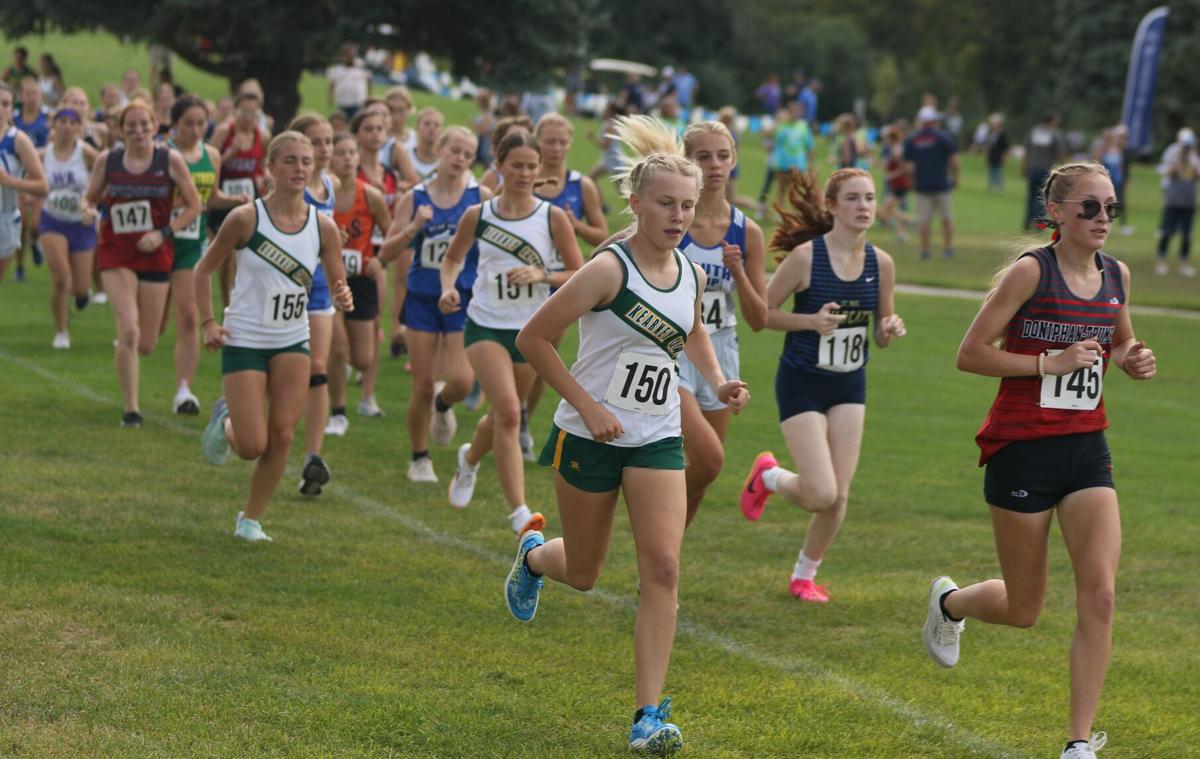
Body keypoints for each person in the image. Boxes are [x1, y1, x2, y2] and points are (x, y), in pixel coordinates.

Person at [506, 127, 748, 755]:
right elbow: (533, 339)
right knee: (583, 572)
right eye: (666, 203)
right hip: (589, 435)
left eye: (687, 205)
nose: (678, 216)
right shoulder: (607, 269)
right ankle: (535, 556)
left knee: (663, 568)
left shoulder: (692, 271)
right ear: (637, 203)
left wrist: (718, 383)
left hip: (656, 436)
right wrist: (586, 405)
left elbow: (692, 332)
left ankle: (647, 716)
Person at [922, 162, 1156, 759]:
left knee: (1100, 594)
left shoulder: (1116, 276)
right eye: (1089, 208)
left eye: (1111, 209)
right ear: (1056, 212)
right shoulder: (1032, 272)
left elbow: (1119, 338)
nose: (1103, 219)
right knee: (1024, 609)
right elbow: (970, 353)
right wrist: (1044, 364)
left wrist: (1130, 357)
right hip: (1021, 450)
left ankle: (1079, 742)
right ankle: (950, 603)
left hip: (1085, 448)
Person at [740, 168, 905, 602]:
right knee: (820, 492)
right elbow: (762, 315)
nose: (864, 206)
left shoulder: (881, 263)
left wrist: (890, 327)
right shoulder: (806, 258)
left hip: (850, 385)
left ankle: (803, 575)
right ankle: (770, 476)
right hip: (802, 383)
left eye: (869, 198)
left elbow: (881, 334)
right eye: (852, 198)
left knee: (838, 497)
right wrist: (810, 322)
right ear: (831, 206)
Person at [196, 131, 352, 542]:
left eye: (306, 161)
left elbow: (337, 279)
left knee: (282, 434)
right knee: (250, 444)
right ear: (270, 167)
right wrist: (209, 323)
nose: (300, 168)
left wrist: (342, 293)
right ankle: (225, 418)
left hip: (291, 340)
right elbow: (204, 270)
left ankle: (250, 519)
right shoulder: (246, 218)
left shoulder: (323, 227)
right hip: (245, 337)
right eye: (290, 161)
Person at [437, 130, 583, 535]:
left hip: (530, 333)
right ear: (498, 166)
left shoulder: (551, 217)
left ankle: (469, 460)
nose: (524, 173)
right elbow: (452, 259)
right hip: (484, 325)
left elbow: (579, 273)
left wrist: (542, 273)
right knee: (510, 413)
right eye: (516, 165)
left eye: (531, 166)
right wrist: (448, 287)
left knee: (503, 414)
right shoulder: (479, 215)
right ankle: (520, 511)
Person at [81, 99, 201, 427]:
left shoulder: (169, 160)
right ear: (121, 129)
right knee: (130, 330)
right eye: (130, 125)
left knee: (146, 342)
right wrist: (87, 210)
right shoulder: (109, 160)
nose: (138, 131)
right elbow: (89, 198)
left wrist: (163, 233)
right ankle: (131, 409)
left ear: (154, 126)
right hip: (116, 252)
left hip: (155, 253)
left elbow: (194, 206)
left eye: (144, 125)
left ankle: (128, 354)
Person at [382, 125, 489, 482]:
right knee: (423, 383)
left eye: (467, 154)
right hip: (423, 300)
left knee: (460, 381)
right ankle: (419, 457)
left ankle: (443, 405)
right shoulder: (415, 198)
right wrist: (414, 227)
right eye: (454, 150)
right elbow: (386, 251)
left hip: (463, 299)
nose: (459, 159)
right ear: (439, 150)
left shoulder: (480, 197)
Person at [522, 112, 612, 456]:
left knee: (543, 359)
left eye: (562, 142)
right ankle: (505, 410)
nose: (556, 149)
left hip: (562, 283)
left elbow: (602, 234)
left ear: (570, 143)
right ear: (537, 140)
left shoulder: (581, 185)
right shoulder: (522, 178)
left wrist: (576, 225)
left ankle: (523, 420)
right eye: (549, 141)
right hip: (519, 279)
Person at [166, 95, 248, 414]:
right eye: (189, 123)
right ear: (175, 124)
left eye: (201, 123)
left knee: (188, 317)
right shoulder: (165, 154)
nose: (196, 129)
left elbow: (210, 199)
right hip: (158, 241)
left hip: (191, 242)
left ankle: (184, 391)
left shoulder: (211, 155)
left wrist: (234, 200)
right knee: (147, 335)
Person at [290, 113, 341, 495]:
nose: (325, 149)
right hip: (286, 289)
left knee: (318, 368)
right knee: (284, 369)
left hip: (321, 290)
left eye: (329, 141)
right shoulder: (288, 188)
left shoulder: (330, 184)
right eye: (316, 142)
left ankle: (313, 457)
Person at [327, 133, 391, 433]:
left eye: (352, 152)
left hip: (361, 279)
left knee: (363, 359)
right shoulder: (321, 194)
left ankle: (337, 373)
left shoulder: (371, 196)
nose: (348, 158)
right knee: (338, 348)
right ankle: (337, 412)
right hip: (328, 278)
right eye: (341, 153)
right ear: (330, 158)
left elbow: (390, 236)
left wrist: (381, 260)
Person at [39, 107, 98, 349]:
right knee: (62, 277)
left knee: (80, 286)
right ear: (54, 124)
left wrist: (92, 206)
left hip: (81, 224)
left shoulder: (86, 154)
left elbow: (105, 177)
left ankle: (83, 294)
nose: (66, 126)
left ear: (79, 127)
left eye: (72, 122)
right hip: (52, 220)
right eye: (62, 121)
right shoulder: (43, 155)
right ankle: (62, 332)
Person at [210, 92, 268, 304]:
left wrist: (263, 178)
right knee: (224, 260)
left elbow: (264, 165)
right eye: (244, 112)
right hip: (221, 202)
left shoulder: (261, 136)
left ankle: (239, 303)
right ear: (235, 112)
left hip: (247, 203)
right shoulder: (225, 132)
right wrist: (229, 155)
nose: (248, 117)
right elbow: (208, 163)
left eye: (253, 113)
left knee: (244, 258)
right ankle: (228, 305)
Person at [0, 83, 47, 285]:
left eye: (5, 104)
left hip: (5, 220)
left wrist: (9, 181)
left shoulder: (18, 140)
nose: (0, 109)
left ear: (12, 109)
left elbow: (42, 185)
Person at [904, 105, 958, 259]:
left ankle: (925, 250)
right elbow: (954, 161)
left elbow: (908, 166)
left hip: (922, 187)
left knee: (924, 222)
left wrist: (911, 181)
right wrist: (955, 178)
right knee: (946, 219)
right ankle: (947, 249)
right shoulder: (943, 137)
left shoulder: (913, 139)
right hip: (942, 186)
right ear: (934, 121)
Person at [13, 76, 51, 280]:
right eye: (27, 94)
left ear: (40, 95)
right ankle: (20, 267)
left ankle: (35, 241)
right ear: (21, 96)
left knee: (35, 224)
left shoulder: (48, 118)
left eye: (34, 93)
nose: (31, 98)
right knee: (19, 223)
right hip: (18, 176)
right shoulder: (14, 118)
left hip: (39, 176)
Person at [1155, 127, 1200, 277]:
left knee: (1187, 234)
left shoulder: (1194, 156)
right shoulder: (1172, 152)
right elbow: (1165, 172)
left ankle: (1184, 263)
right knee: (1167, 232)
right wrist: (1178, 160)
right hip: (1173, 200)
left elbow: (1197, 175)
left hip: (1189, 201)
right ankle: (1161, 261)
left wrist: (1192, 163)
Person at [759, 101, 814, 216]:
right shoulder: (781, 125)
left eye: (797, 111)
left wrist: (810, 163)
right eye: (792, 111)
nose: (795, 113)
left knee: (797, 190)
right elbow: (765, 134)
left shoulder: (803, 126)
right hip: (782, 163)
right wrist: (776, 123)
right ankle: (780, 213)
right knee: (782, 189)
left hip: (798, 163)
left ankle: (795, 213)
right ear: (788, 112)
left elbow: (809, 146)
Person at [1022, 114, 1066, 230]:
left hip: (1032, 169)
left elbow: (1027, 150)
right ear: (1052, 122)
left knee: (1031, 197)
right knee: (1043, 198)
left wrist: (1024, 167)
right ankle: (1040, 225)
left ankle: (1027, 223)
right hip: (1045, 170)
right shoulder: (1054, 134)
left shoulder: (1034, 131)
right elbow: (1060, 153)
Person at [878, 124, 911, 242]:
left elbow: (904, 168)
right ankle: (902, 235)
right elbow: (887, 166)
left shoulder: (897, 150)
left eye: (886, 138)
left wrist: (891, 175)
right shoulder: (893, 149)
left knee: (884, 211)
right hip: (895, 184)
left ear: (891, 138)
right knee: (892, 209)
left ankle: (910, 220)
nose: (885, 140)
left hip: (899, 184)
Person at [326, 42, 370, 120]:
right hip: (342, 102)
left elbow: (369, 81)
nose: (349, 56)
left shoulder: (362, 65)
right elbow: (332, 83)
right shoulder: (337, 68)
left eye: (351, 53)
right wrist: (330, 97)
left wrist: (369, 97)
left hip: (358, 102)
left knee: (356, 122)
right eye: (347, 53)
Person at [985, 113, 1010, 192]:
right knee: (991, 171)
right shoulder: (991, 134)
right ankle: (991, 186)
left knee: (998, 171)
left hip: (999, 155)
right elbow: (988, 145)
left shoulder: (1003, 135)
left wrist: (1005, 157)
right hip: (992, 155)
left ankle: (1000, 187)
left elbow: (1006, 147)